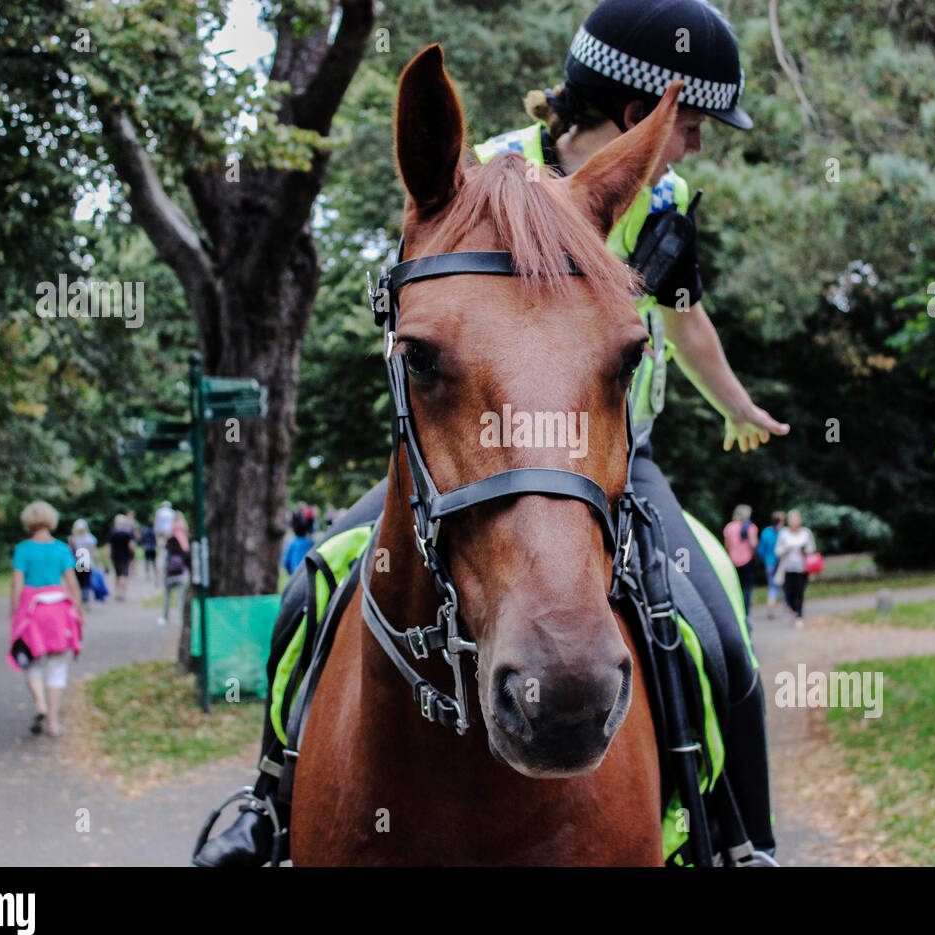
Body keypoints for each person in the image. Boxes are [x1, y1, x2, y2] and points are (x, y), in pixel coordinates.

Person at [196, 0, 786, 866]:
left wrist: (735, 402)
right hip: (471, 456)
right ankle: (271, 798)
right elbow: (417, 312)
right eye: (690, 125)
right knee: (316, 583)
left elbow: (688, 323)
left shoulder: (661, 205)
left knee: (714, 623)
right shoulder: (477, 175)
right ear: (636, 114)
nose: (692, 145)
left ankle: (739, 840)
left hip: (608, 458)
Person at [11, 501, 84, 738]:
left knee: (31, 661)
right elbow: (72, 584)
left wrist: (15, 614)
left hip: (33, 610)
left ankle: (40, 704)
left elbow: (17, 584)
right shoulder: (62, 549)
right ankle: (53, 722)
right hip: (58, 610)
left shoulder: (22, 549)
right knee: (57, 666)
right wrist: (79, 611)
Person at [774, 509, 815, 628]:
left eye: (796, 519)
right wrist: (787, 549)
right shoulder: (784, 533)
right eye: (792, 519)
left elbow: (812, 549)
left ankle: (799, 616)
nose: (794, 521)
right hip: (787, 569)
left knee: (800, 592)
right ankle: (793, 610)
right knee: (789, 593)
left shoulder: (806, 533)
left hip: (802, 569)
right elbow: (777, 551)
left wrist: (804, 550)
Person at [722, 504, 757, 623]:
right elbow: (753, 544)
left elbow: (726, 546)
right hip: (747, 561)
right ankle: (746, 613)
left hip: (733, 562)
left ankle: (738, 611)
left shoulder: (729, 527)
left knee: (736, 587)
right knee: (747, 588)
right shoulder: (750, 527)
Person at [160, 514, 190, 627]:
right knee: (181, 598)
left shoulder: (170, 540)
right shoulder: (185, 543)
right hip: (181, 574)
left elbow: (165, 558)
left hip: (169, 573)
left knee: (167, 597)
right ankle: (182, 619)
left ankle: (165, 617)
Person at [67, 519, 97, 608]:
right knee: (86, 582)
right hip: (88, 563)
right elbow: (94, 552)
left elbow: (69, 552)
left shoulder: (72, 538)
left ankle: (79, 601)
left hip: (76, 563)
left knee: (78, 583)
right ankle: (86, 599)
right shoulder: (90, 538)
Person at [758, 511, 784, 615]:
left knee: (772, 586)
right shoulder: (784, 532)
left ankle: (771, 604)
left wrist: (764, 558)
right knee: (785, 586)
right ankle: (787, 607)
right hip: (781, 563)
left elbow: (761, 550)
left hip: (769, 563)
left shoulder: (766, 532)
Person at [108, 514, 135, 602]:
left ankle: (117, 592)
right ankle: (122, 593)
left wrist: (108, 556)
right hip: (125, 556)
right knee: (124, 575)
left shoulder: (112, 532)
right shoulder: (128, 533)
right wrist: (133, 556)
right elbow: (131, 546)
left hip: (115, 556)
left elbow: (108, 545)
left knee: (117, 574)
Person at [153, 500, 176, 583]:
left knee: (161, 556)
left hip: (162, 535)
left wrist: (157, 537)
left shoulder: (159, 512)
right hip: (169, 535)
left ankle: (159, 577)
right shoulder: (172, 513)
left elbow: (156, 526)